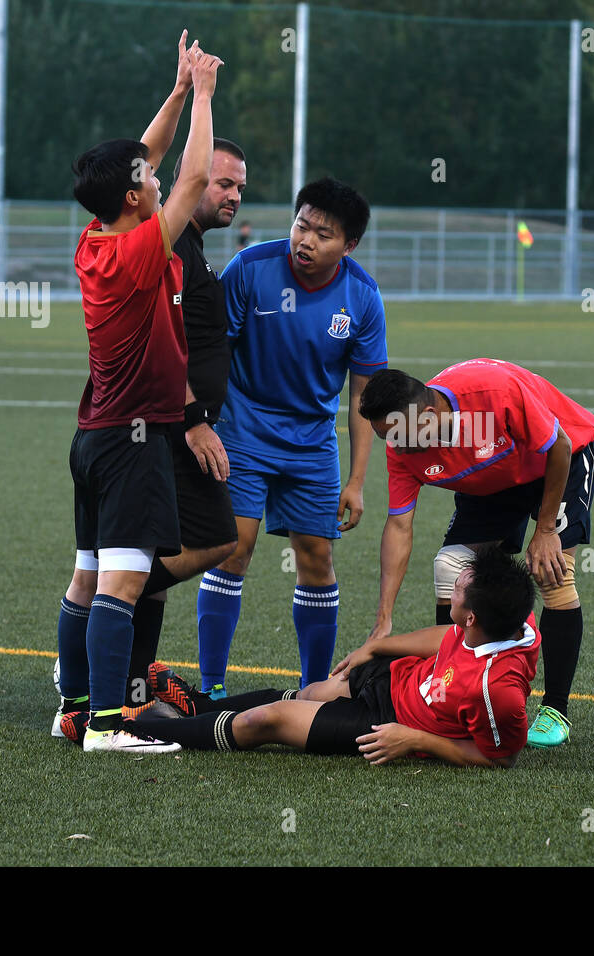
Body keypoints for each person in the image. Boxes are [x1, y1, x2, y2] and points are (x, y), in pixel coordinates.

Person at [54, 32, 224, 754]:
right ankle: (105, 727)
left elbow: (152, 163)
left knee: (89, 579)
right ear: (133, 198)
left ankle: (72, 707)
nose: (152, 177)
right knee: (123, 585)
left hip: (94, 435)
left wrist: (178, 92)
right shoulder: (136, 248)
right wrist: (208, 97)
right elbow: (187, 181)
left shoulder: (98, 233)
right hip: (129, 442)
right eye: (141, 179)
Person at [194, 177, 387, 695]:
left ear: (348, 246)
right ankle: (212, 688)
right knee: (234, 548)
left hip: (311, 442)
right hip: (243, 430)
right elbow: (213, 352)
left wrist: (357, 480)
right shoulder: (251, 268)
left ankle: (312, 691)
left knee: (317, 556)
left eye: (323, 234)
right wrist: (203, 425)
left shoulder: (363, 298)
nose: (305, 239)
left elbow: (363, 397)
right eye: (301, 223)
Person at [357, 359, 594, 749]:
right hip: (494, 480)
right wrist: (384, 618)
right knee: (450, 568)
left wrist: (545, 529)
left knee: (552, 572)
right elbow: (399, 528)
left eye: (400, 435)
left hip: (558, 460)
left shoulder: (493, 393)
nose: (395, 446)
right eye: (387, 437)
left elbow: (560, 446)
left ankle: (555, 709)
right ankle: (453, 695)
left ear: (431, 414)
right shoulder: (403, 445)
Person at [129, 546, 540, 768]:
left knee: (267, 719)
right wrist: (376, 647)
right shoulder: (514, 620)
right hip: (396, 676)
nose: (452, 587)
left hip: (389, 723)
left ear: (472, 616)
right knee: (309, 693)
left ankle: (145, 730)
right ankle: (199, 706)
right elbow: (447, 637)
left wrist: (415, 740)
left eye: (460, 588)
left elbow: (499, 756)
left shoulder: (497, 692)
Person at [106, 138, 250, 720]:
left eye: (240, 186)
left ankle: (133, 686)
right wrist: (194, 420)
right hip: (165, 429)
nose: (235, 195)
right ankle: (101, 628)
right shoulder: (168, 247)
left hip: (174, 425)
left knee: (160, 557)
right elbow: (159, 340)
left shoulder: (193, 249)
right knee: (217, 539)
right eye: (223, 183)